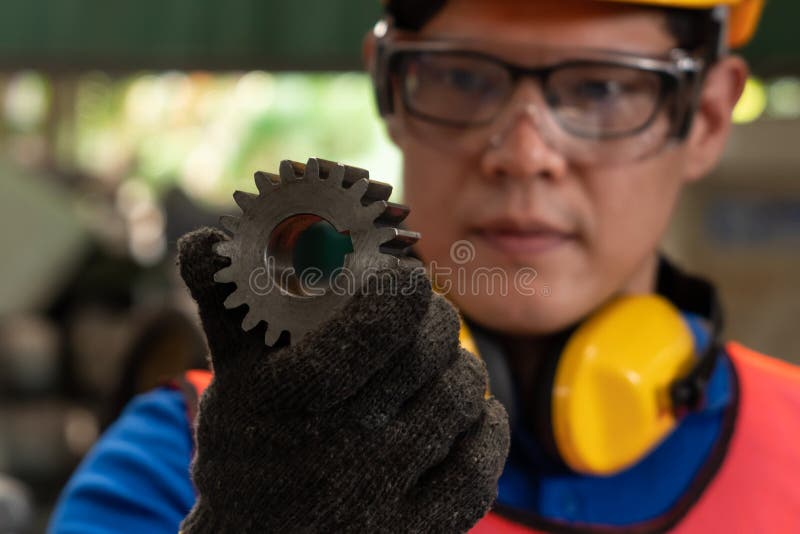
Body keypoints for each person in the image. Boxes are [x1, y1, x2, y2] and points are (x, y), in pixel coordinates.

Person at [49, 0, 800, 532]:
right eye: (465, 78)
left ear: (703, 117)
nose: (524, 155)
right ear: (389, 89)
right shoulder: (182, 457)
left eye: (603, 88)